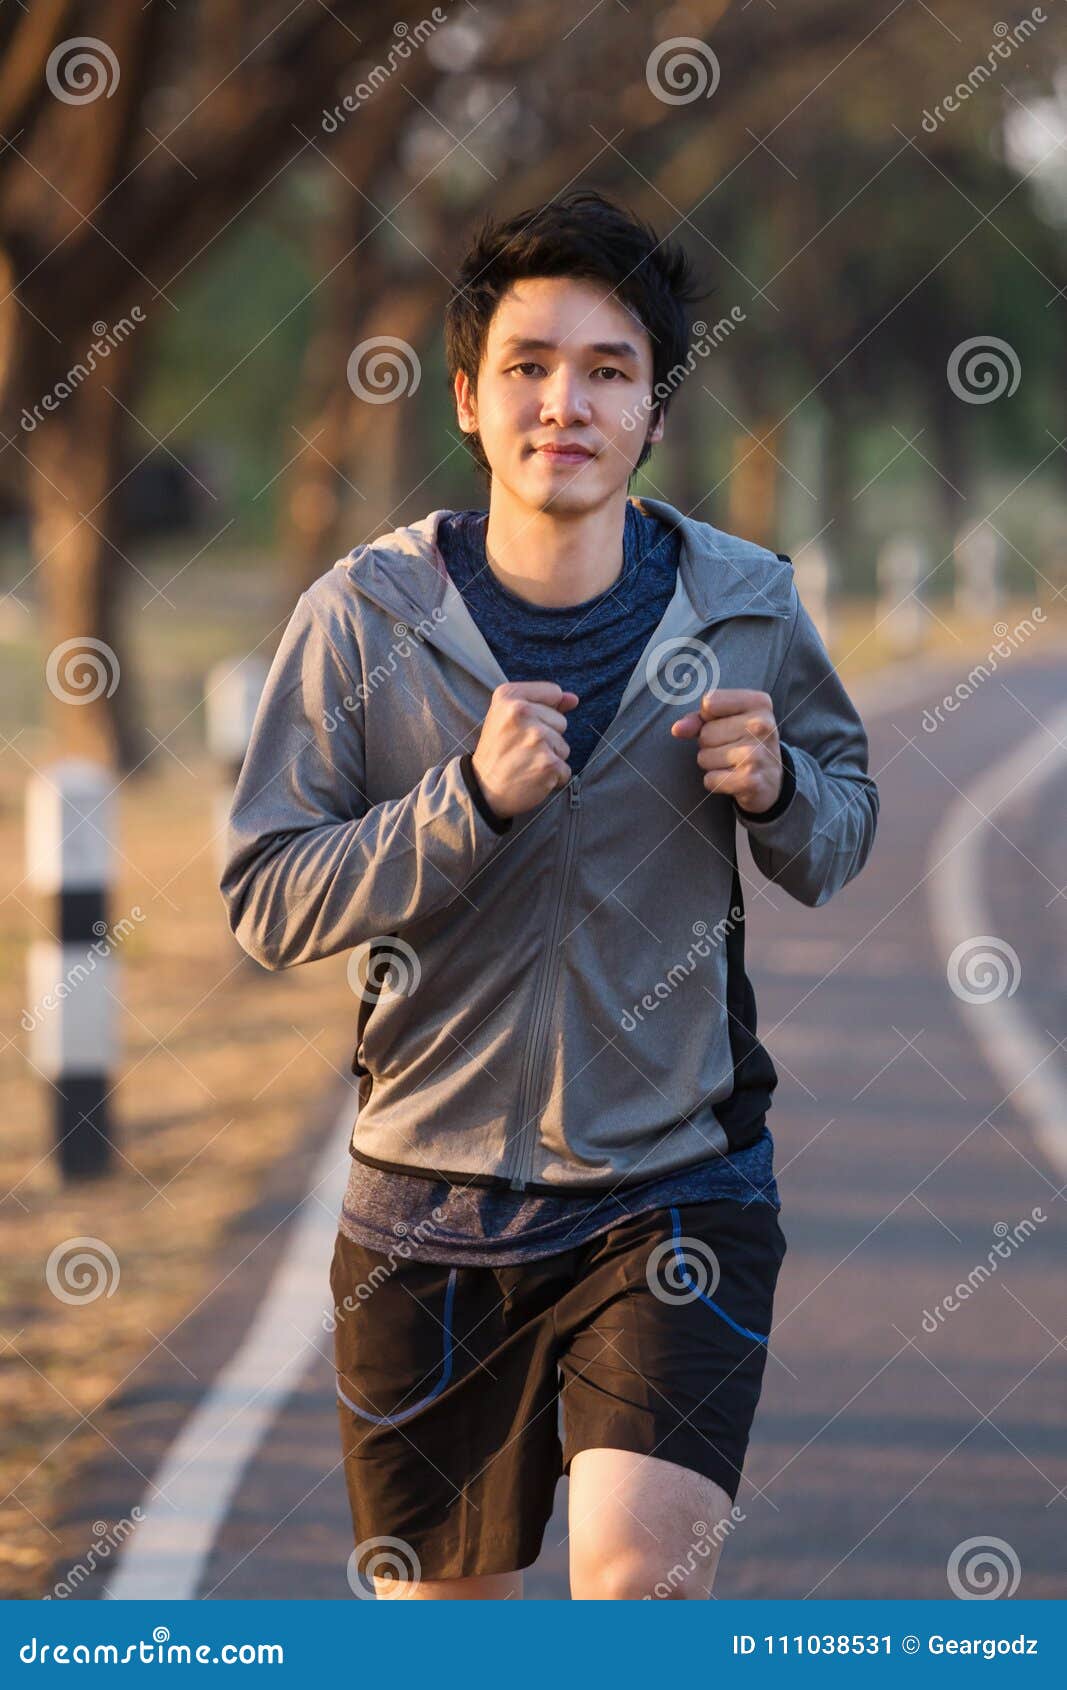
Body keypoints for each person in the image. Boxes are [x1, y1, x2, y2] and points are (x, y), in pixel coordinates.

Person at [219, 187, 880, 1600]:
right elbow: (267, 896)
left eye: (609, 369)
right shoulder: (363, 618)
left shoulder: (745, 600)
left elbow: (841, 830)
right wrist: (466, 806)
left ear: (654, 411)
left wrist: (778, 791)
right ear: (467, 399)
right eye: (527, 365)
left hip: (673, 1195)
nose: (563, 402)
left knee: (637, 1589)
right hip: (422, 1224)